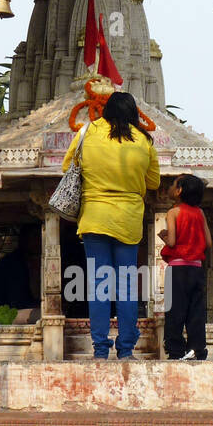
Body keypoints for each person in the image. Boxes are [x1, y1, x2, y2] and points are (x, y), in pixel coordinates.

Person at [62, 91, 161, 359]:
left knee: (99, 285)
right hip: (128, 221)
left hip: (94, 218)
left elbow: (67, 166)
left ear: (105, 111)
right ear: (133, 113)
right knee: (127, 285)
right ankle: (126, 349)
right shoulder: (143, 141)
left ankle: (100, 349)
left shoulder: (87, 132)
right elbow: (153, 183)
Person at [159, 174, 212, 360]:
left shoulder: (173, 212)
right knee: (196, 310)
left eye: (173, 184)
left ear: (179, 190)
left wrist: (164, 237)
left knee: (175, 310)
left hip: (178, 268)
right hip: (196, 268)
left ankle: (175, 350)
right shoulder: (200, 213)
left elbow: (172, 242)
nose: (171, 187)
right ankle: (198, 349)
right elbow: (208, 242)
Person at [0, 223, 41, 325]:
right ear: (24, 240)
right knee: (49, 316)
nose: (39, 241)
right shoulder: (14, 263)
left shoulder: (22, 260)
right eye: (35, 236)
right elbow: (19, 303)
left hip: (11, 311)